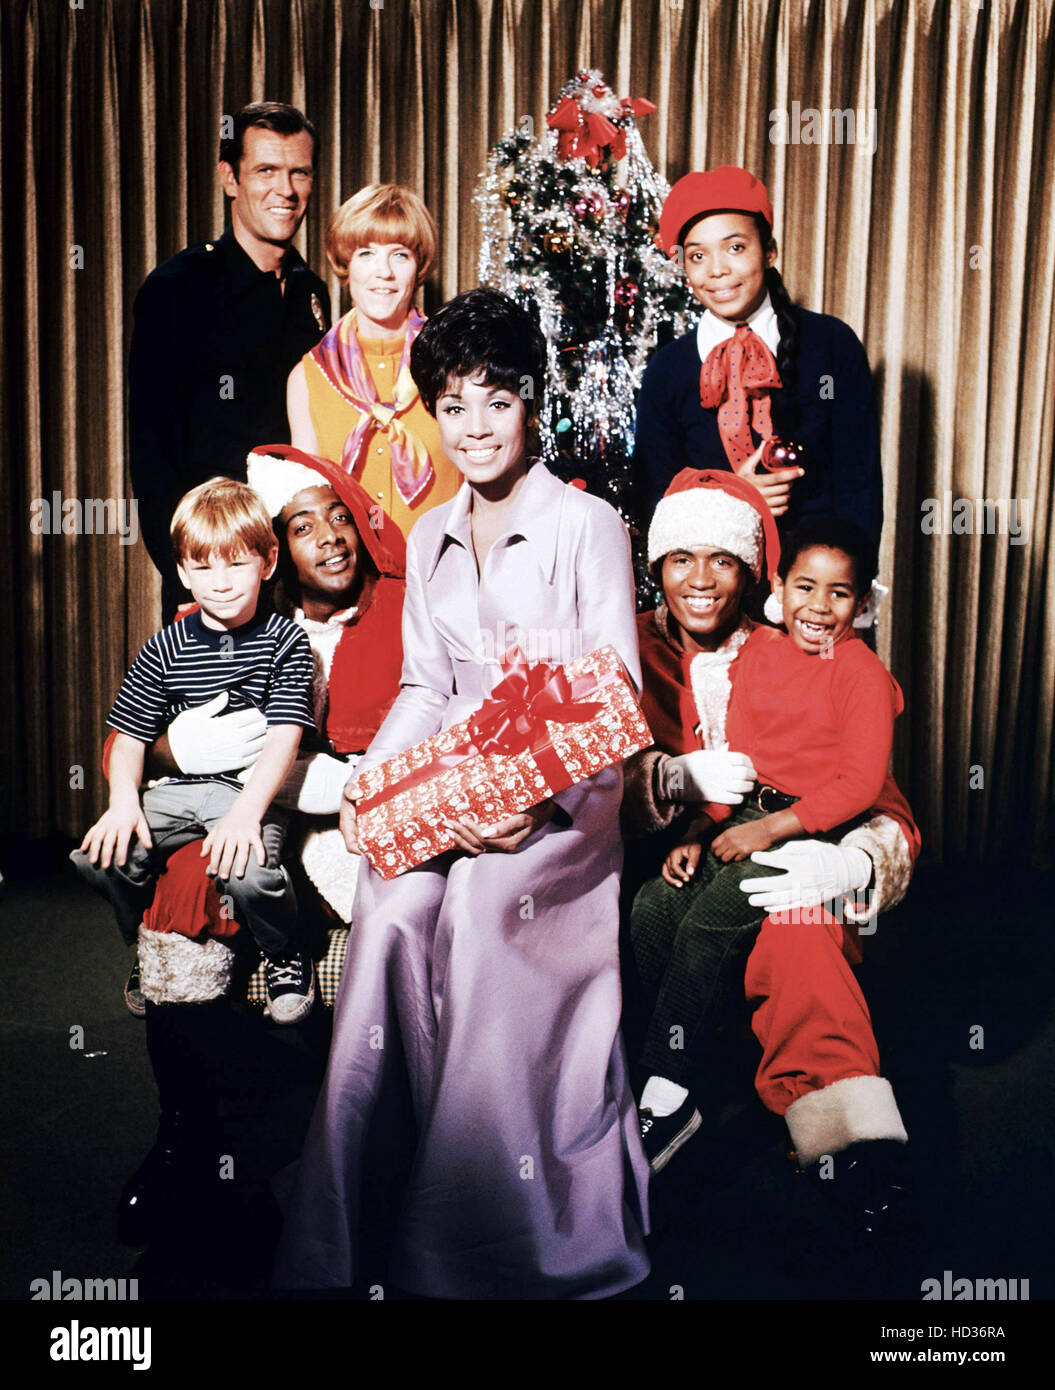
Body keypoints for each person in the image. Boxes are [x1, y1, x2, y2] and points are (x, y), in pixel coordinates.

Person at [274, 288, 650, 1299]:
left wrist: (530, 801)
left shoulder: (588, 524)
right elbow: (421, 687)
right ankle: (360, 1213)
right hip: (452, 786)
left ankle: (476, 1236)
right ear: (432, 415)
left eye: (495, 401)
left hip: (567, 799)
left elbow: (614, 690)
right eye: (452, 405)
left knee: (487, 908)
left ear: (530, 405)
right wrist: (374, 786)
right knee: (389, 908)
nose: (473, 427)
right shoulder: (431, 530)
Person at [111, 450, 407, 1257]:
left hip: (361, 827)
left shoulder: (407, 612)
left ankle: (379, 1149)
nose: (331, 539)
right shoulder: (220, 617)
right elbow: (138, 735)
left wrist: (350, 788)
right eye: (303, 525)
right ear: (274, 549)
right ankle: (187, 1143)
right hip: (240, 816)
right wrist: (177, 744)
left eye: (339, 515)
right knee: (179, 914)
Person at [622, 469, 919, 1204]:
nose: (700, 580)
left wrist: (853, 859)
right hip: (696, 848)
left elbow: (869, 790)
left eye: (722, 559)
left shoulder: (812, 652)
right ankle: (670, 1066)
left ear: (754, 575)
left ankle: (848, 1143)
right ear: (654, 566)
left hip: (796, 837)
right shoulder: (626, 650)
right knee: (651, 912)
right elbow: (583, 784)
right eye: (680, 557)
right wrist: (679, 802)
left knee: (794, 927)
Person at [71, 478, 318, 1024]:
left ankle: (285, 952)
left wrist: (246, 815)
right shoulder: (165, 645)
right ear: (182, 571)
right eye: (204, 567)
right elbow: (130, 737)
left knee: (248, 875)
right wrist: (122, 803)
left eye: (236, 564)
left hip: (250, 792)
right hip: (179, 793)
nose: (222, 583)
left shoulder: (287, 641)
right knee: (99, 856)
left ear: (268, 561)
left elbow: (284, 738)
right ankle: (147, 938)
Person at [130, 102, 330, 619]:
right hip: (217, 577)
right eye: (266, 171)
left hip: (303, 571)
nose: (285, 190)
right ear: (230, 179)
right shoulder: (177, 290)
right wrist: (190, 583)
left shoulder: (312, 292)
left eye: (299, 172)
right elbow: (153, 459)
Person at [633, 165, 882, 548]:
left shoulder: (832, 345)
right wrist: (731, 498)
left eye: (735, 248)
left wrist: (842, 588)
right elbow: (655, 506)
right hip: (712, 587)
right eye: (698, 256)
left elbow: (859, 486)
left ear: (769, 252)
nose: (717, 270)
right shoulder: (666, 371)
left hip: (813, 587)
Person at [287, 183, 461, 536]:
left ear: (419, 266)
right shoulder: (308, 377)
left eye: (400, 254)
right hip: (350, 585)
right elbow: (306, 505)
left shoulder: (454, 363)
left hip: (444, 578)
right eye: (366, 253)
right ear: (345, 265)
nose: (384, 272)